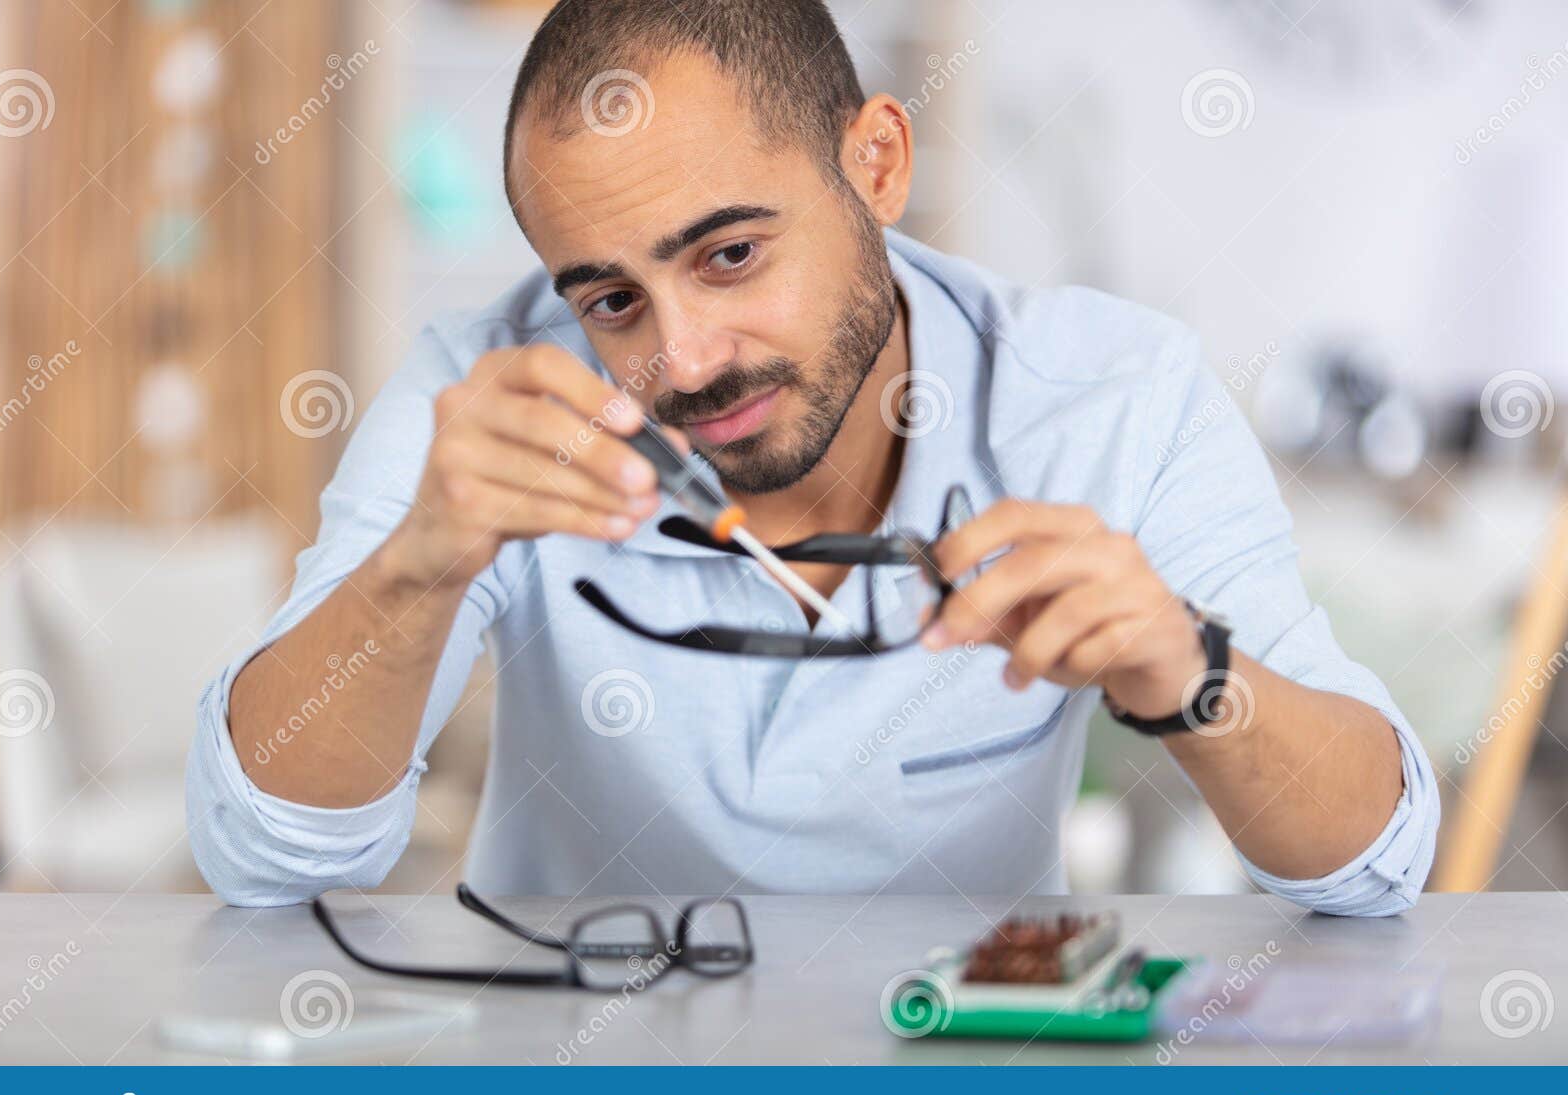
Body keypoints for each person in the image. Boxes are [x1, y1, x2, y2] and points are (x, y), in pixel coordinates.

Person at [187, 0, 1436, 912]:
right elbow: (263, 855)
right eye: (610, 299)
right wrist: (412, 574)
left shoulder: (1113, 393)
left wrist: (1186, 667)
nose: (682, 360)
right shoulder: (490, 394)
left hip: (961, 1072)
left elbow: (1376, 862)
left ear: (876, 163)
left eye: (730, 255)